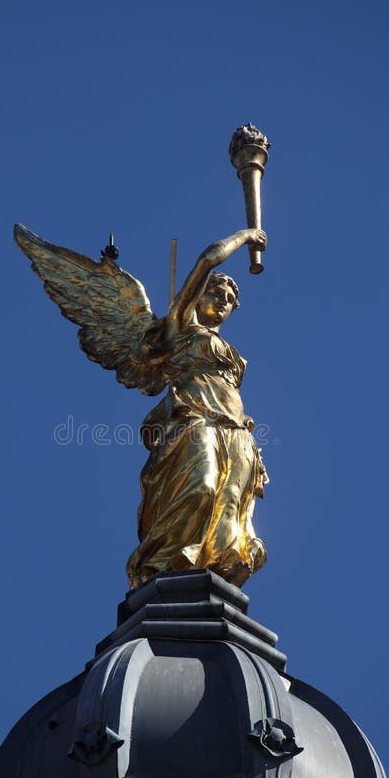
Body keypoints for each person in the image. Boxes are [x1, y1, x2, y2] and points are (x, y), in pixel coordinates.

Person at [126, 228, 268, 589]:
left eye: (229, 298)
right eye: (216, 292)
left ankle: (214, 573)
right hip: (193, 419)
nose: (222, 300)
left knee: (231, 511)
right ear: (197, 296)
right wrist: (245, 236)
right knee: (201, 486)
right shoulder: (182, 328)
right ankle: (161, 567)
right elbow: (208, 259)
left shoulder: (230, 350)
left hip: (236, 430)